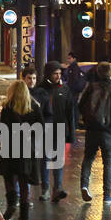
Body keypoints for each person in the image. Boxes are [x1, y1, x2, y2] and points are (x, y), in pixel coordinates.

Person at [0, 78, 44, 220]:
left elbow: (2, 129)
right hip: (27, 149)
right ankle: (24, 215)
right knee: (24, 182)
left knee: (8, 176)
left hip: (10, 147)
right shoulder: (34, 106)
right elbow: (40, 128)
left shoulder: (8, 107)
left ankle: (11, 201)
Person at [78, 61, 111, 204]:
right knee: (108, 163)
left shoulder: (91, 87)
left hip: (92, 129)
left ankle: (84, 185)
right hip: (108, 131)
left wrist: (87, 119)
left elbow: (81, 104)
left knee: (88, 158)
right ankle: (107, 195)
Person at [39, 61, 74, 202]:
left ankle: (57, 189)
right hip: (45, 130)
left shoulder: (64, 89)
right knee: (46, 161)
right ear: (49, 73)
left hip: (60, 130)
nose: (58, 76)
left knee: (58, 161)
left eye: (60, 73)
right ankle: (45, 189)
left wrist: (71, 133)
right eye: (55, 73)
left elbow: (70, 112)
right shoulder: (41, 89)